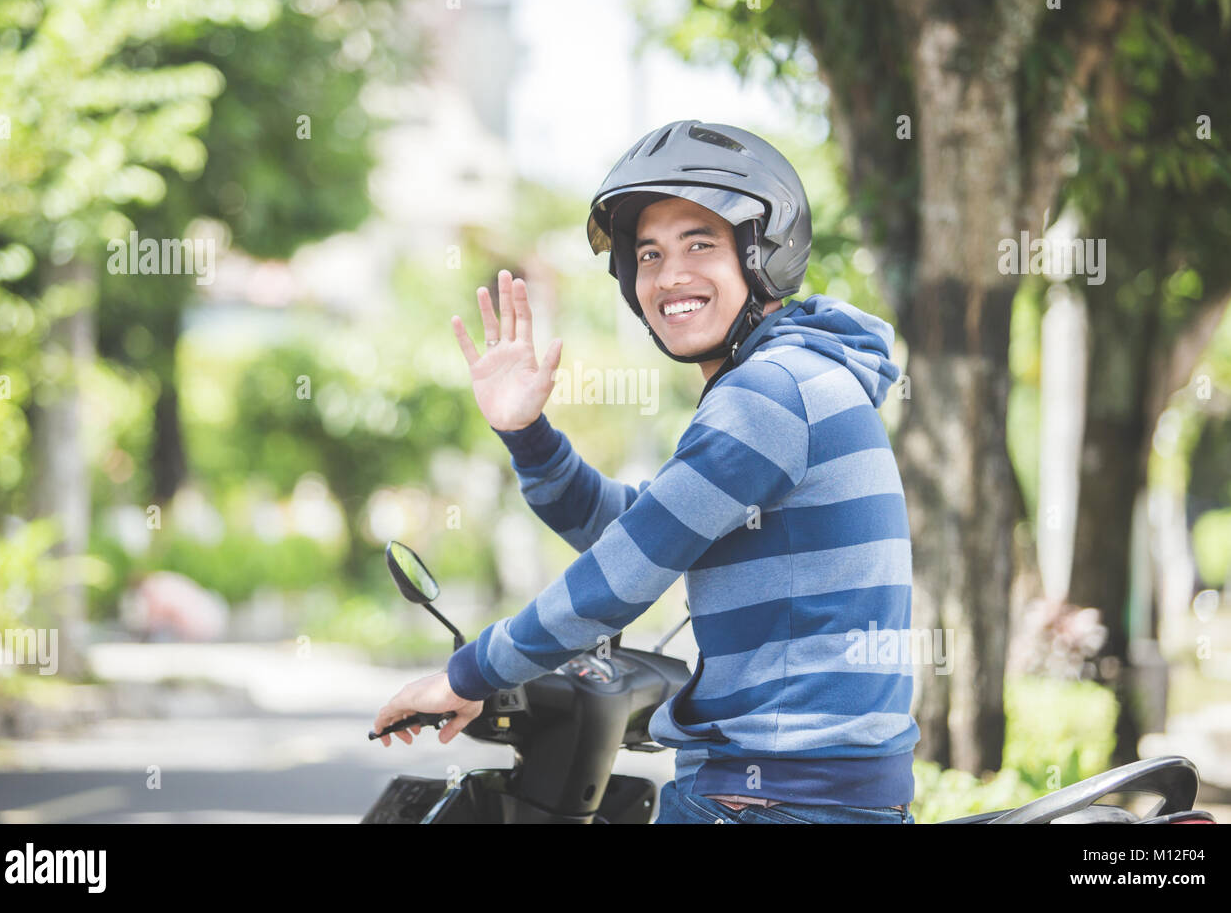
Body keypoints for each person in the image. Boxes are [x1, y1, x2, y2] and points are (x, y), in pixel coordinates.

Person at [373, 120, 919, 824]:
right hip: (814, 797)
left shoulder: (770, 393)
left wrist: (468, 674)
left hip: (764, 802)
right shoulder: (802, 374)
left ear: (763, 256)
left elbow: (622, 576)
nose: (670, 276)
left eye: (701, 244)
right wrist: (527, 435)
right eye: (649, 254)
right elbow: (644, 531)